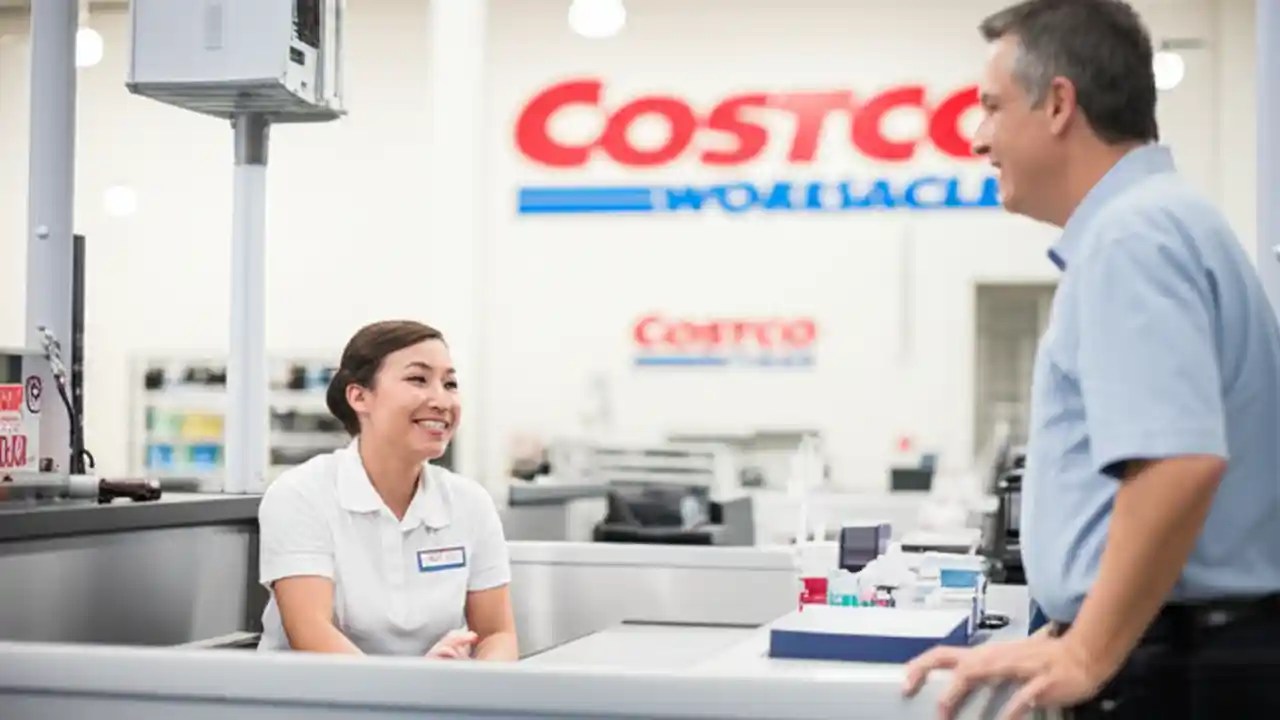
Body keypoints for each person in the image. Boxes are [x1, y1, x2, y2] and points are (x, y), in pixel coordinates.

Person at [902, 1, 1280, 718]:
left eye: (990, 107)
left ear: (1058, 104)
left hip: (1182, 671)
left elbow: (1177, 463)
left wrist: (1087, 650)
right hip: (1181, 646)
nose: (980, 139)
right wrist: (1070, 626)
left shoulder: (1132, 238)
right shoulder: (1168, 222)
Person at [256, 320, 518, 660]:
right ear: (359, 396)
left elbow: (496, 633)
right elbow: (310, 631)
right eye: (417, 379)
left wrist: (475, 689)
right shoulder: (300, 494)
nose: (441, 400)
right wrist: (407, 691)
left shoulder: (470, 503)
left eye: (450, 383)